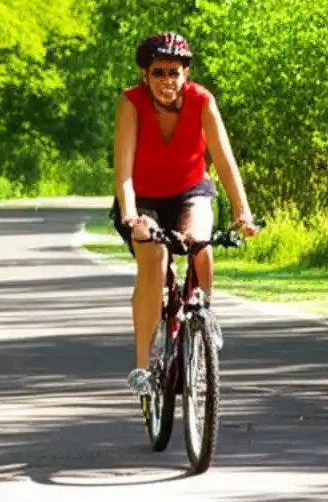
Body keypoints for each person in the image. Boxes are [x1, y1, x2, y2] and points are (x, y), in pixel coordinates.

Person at [110, 32, 258, 396]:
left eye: (174, 72)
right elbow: (123, 171)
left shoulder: (202, 101)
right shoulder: (131, 103)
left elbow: (224, 160)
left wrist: (243, 212)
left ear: (185, 73)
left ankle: (203, 315)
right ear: (145, 74)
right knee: (155, 258)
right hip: (143, 198)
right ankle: (144, 366)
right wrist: (130, 216)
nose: (167, 81)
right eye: (158, 72)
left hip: (190, 191)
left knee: (200, 244)